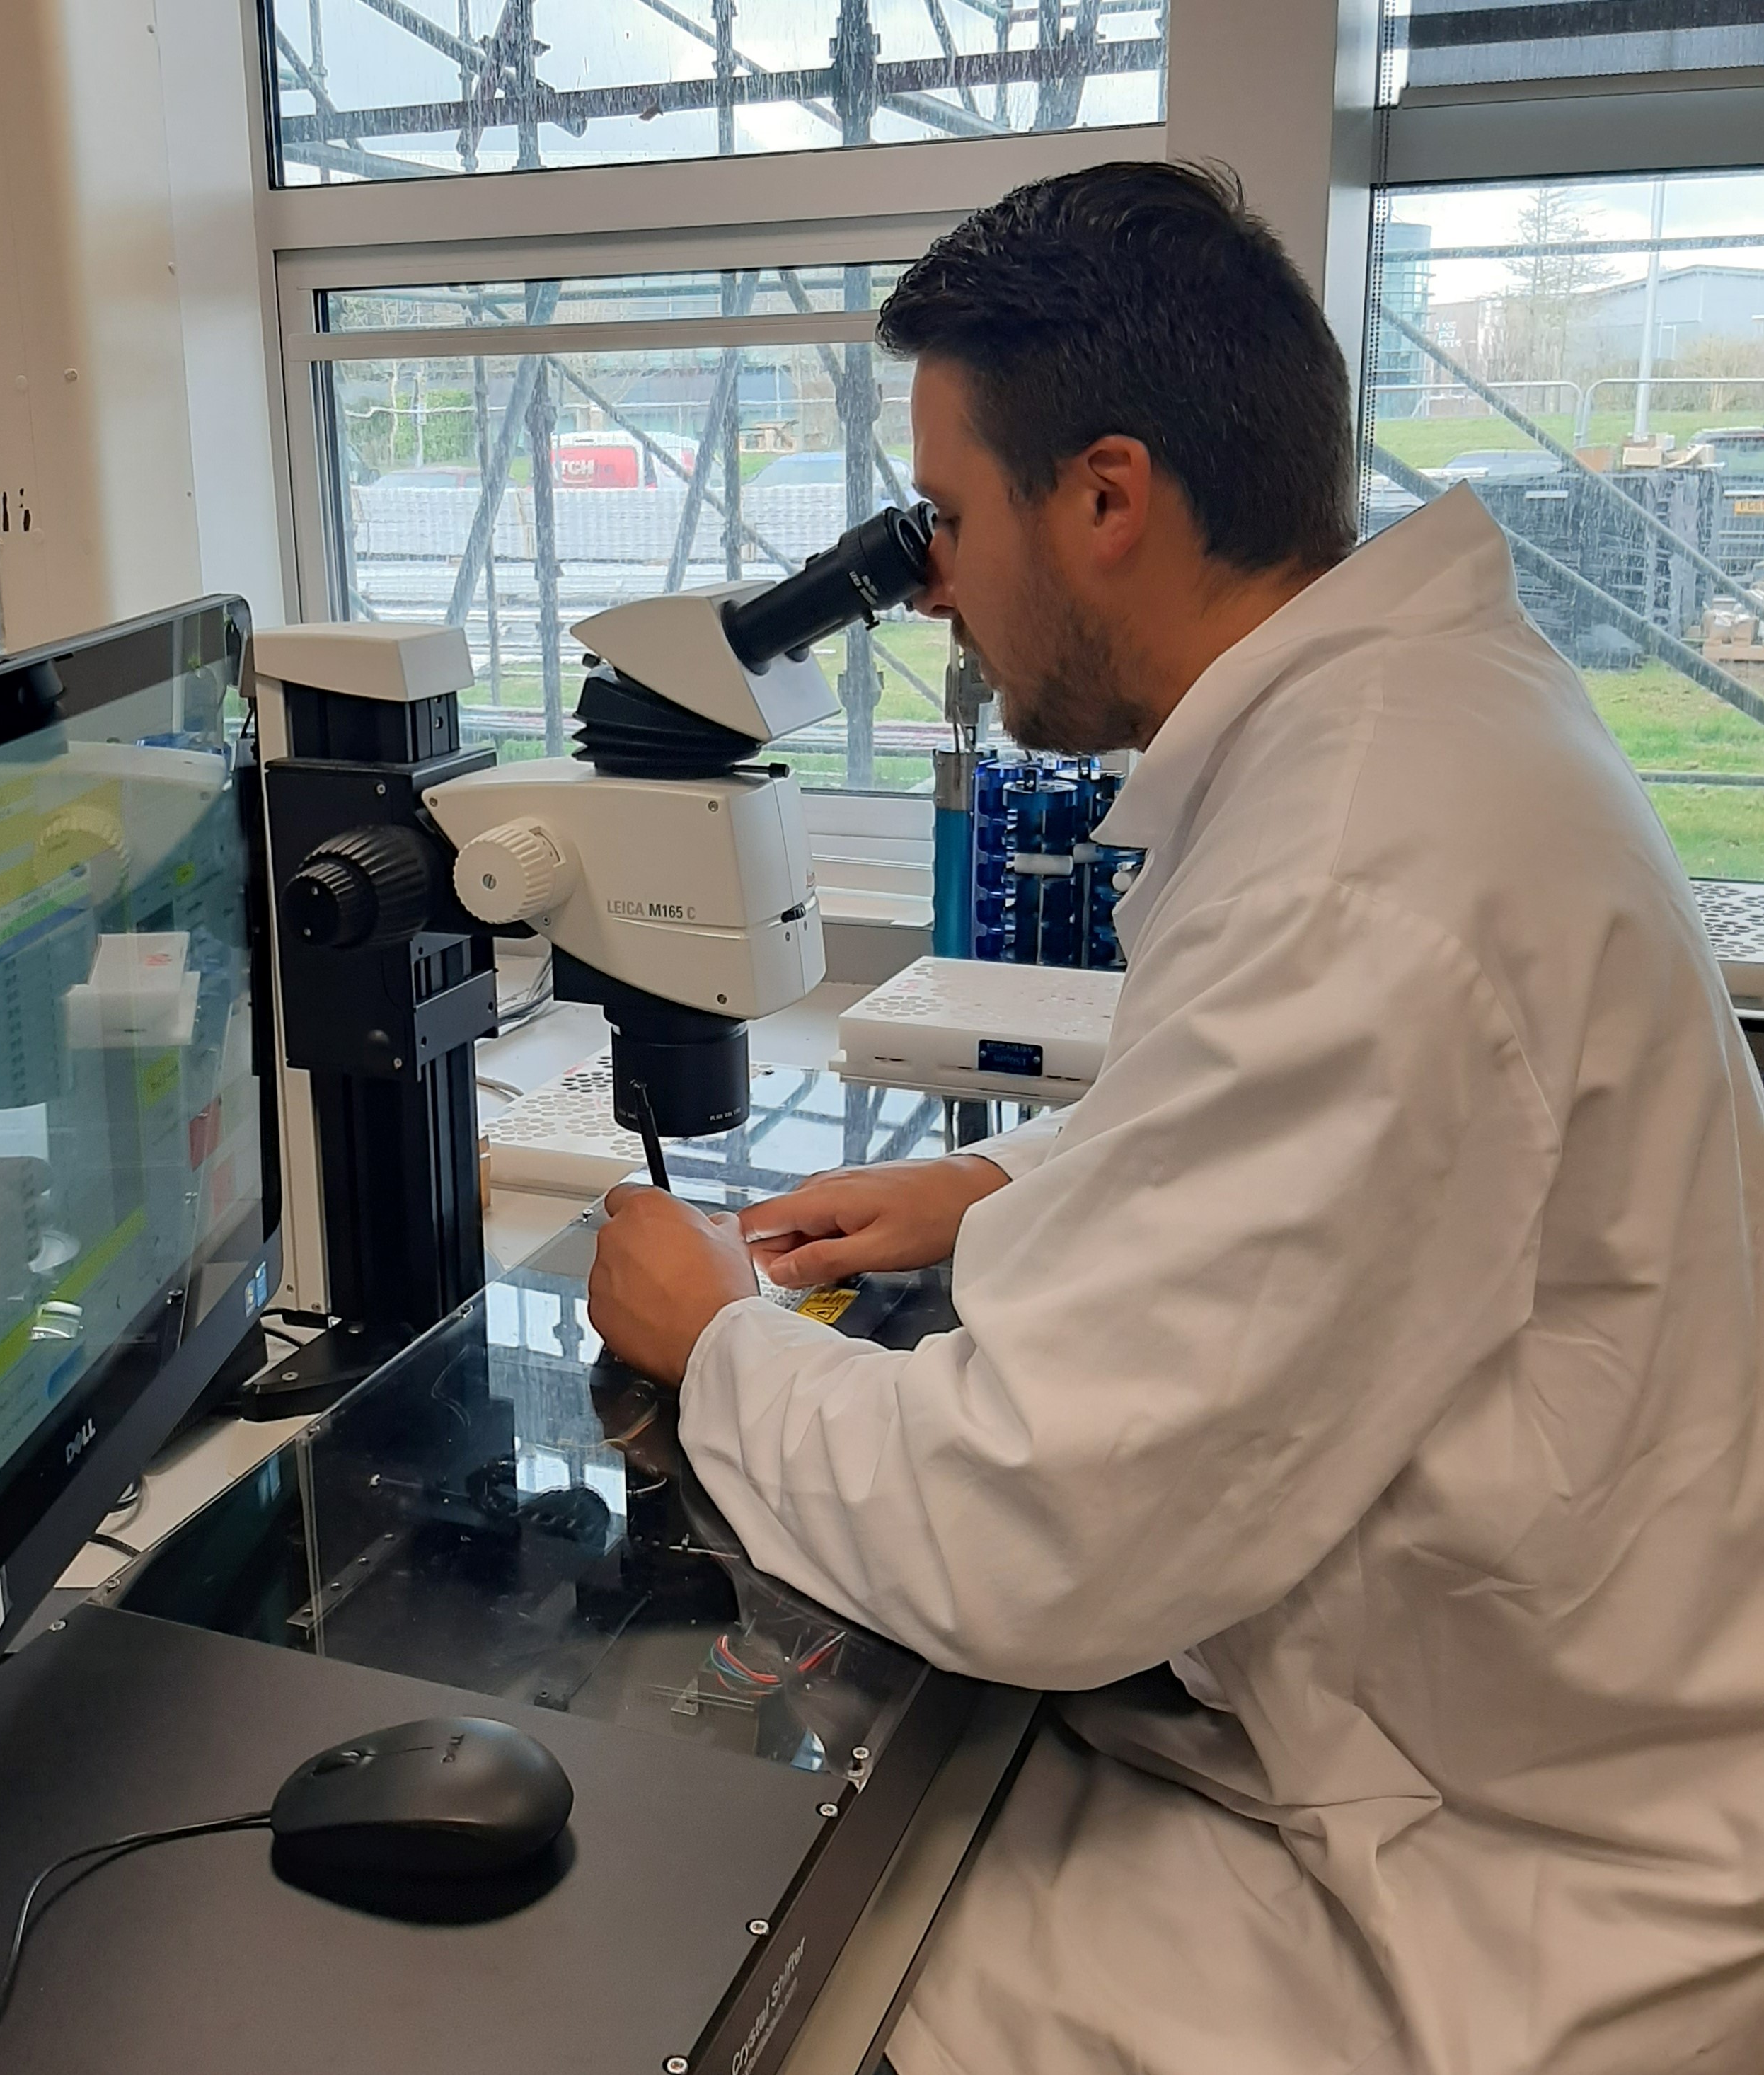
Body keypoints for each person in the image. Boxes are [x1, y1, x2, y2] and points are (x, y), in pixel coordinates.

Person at [588, 163, 1764, 2075]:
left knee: (742, 1963)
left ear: (1108, 496)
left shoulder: (1357, 866)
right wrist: (991, 1185)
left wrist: (707, 1337)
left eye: (951, 519)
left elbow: (1027, 1536)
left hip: (1506, 1877)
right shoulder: (1417, 723)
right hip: (1469, 1721)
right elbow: (1373, 1143)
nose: (937, 583)